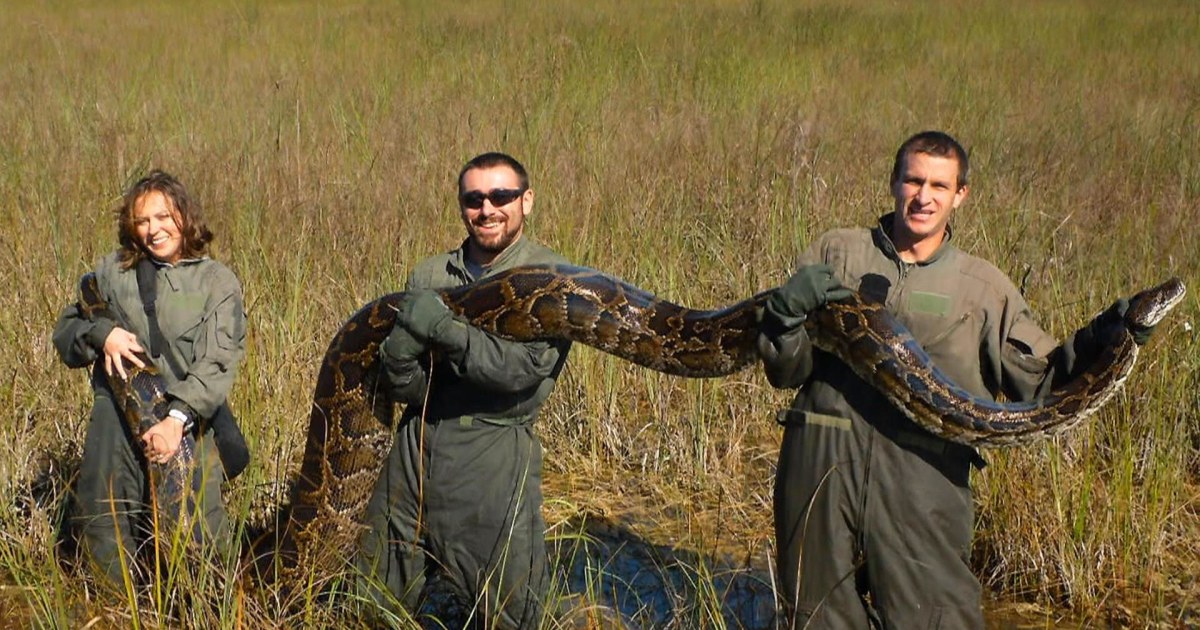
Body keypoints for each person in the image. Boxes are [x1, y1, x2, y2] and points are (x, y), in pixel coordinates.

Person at [758, 131, 1158, 628]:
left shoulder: (982, 288)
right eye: (913, 180)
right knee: (814, 615)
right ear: (894, 182)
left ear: (960, 195)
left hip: (922, 479)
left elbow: (1042, 385)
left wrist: (1107, 336)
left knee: (934, 617)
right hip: (820, 461)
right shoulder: (837, 253)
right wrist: (782, 321)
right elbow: (787, 370)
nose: (923, 197)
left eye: (939, 186)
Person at [357, 152, 571, 628]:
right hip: (415, 447)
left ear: (526, 201)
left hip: (492, 449)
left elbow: (519, 372)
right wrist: (396, 363)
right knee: (378, 590)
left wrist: (448, 331)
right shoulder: (431, 275)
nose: (488, 209)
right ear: (461, 205)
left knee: (506, 606)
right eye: (474, 199)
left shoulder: (553, 278)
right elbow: (410, 387)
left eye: (501, 196)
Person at [53, 170, 246, 585]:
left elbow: (217, 361)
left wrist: (177, 420)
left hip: (187, 419)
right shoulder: (112, 273)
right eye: (142, 221)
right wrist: (101, 334)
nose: (154, 230)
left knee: (201, 543)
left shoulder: (217, 282)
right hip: (116, 414)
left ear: (184, 215)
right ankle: (114, 606)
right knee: (104, 518)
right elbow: (66, 334)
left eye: (163, 216)